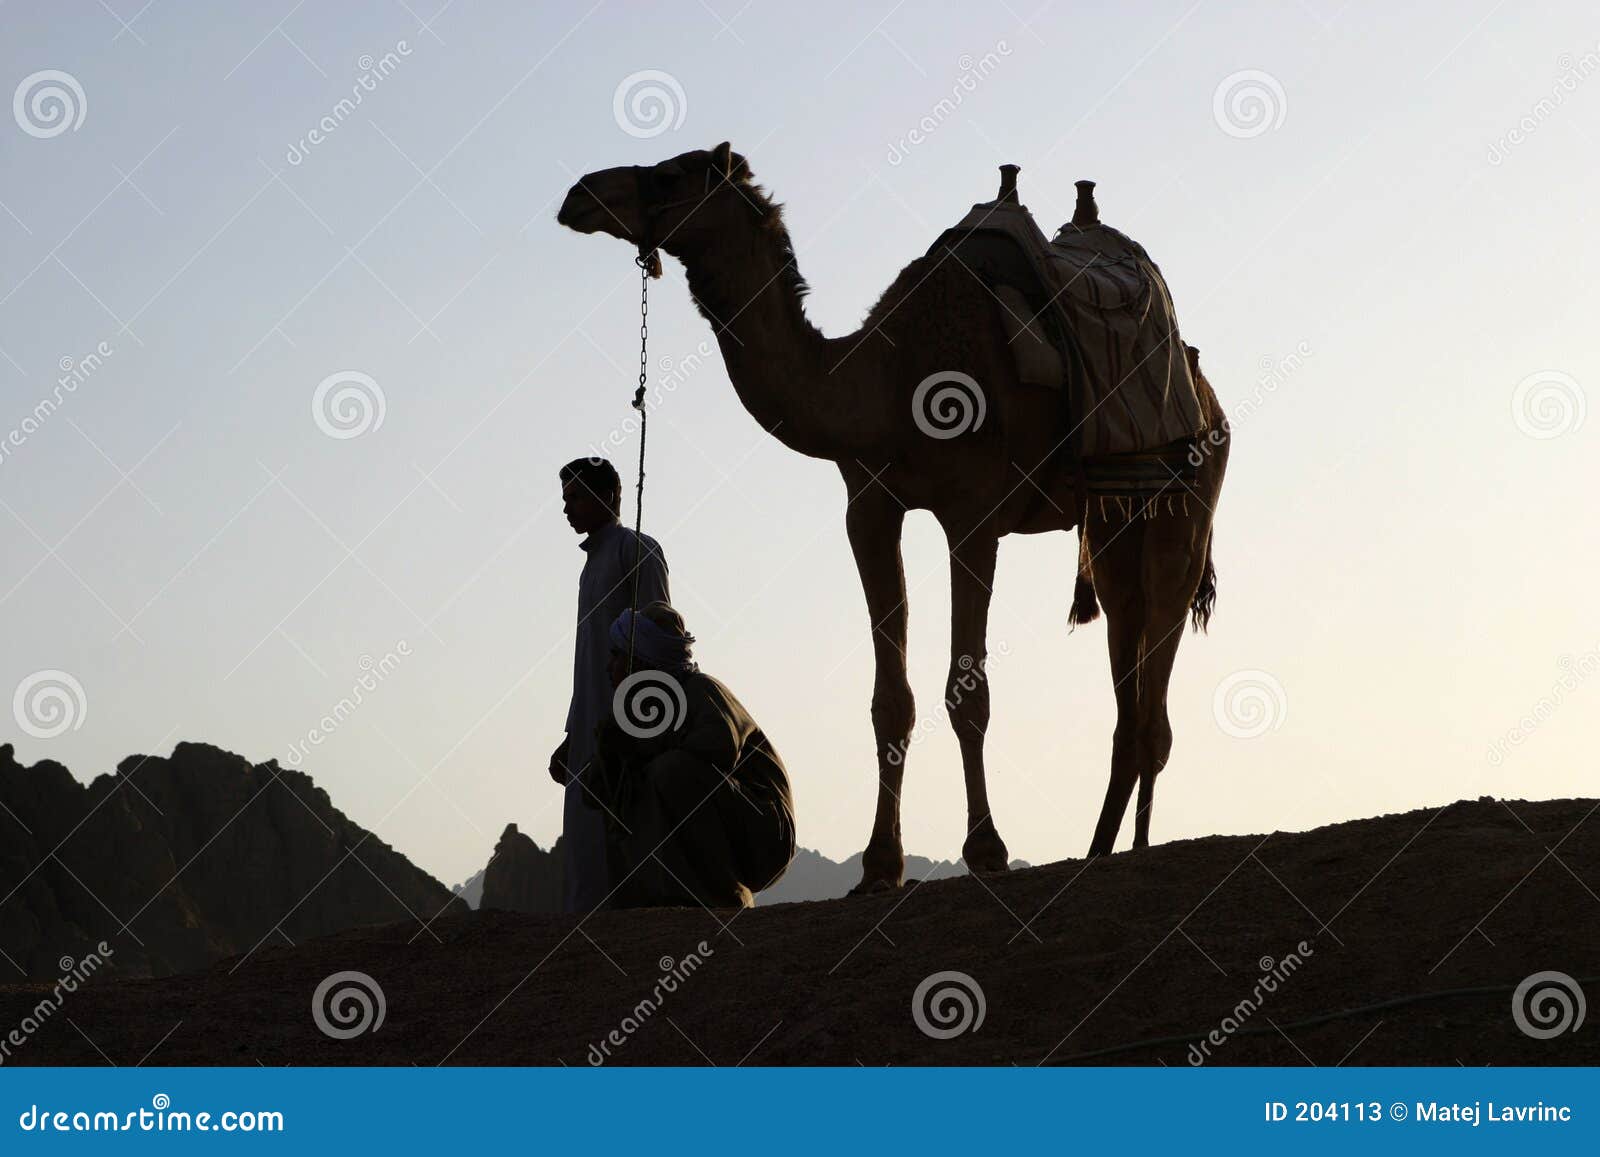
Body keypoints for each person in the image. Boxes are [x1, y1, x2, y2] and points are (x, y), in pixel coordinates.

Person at [589, 602, 795, 909]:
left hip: (765, 835)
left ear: (639, 662)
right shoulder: (635, 714)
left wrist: (648, 746)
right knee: (628, 786)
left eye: (617, 655)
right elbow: (594, 791)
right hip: (733, 825)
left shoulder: (700, 689)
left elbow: (720, 746)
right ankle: (656, 896)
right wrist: (604, 755)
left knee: (670, 771)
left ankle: (725, 895)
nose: (609, 666)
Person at [551, 457, 669, 913]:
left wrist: (640, 718)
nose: (567, 508)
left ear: (611, 496)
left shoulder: (637, 551)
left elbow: (660, 638)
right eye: (565, 499)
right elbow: (586, 661)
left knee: (624, 840)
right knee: (586, 845)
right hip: (588, 726)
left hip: (630, 723)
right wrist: (572, 733)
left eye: (577, 497)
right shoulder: (589, 567)